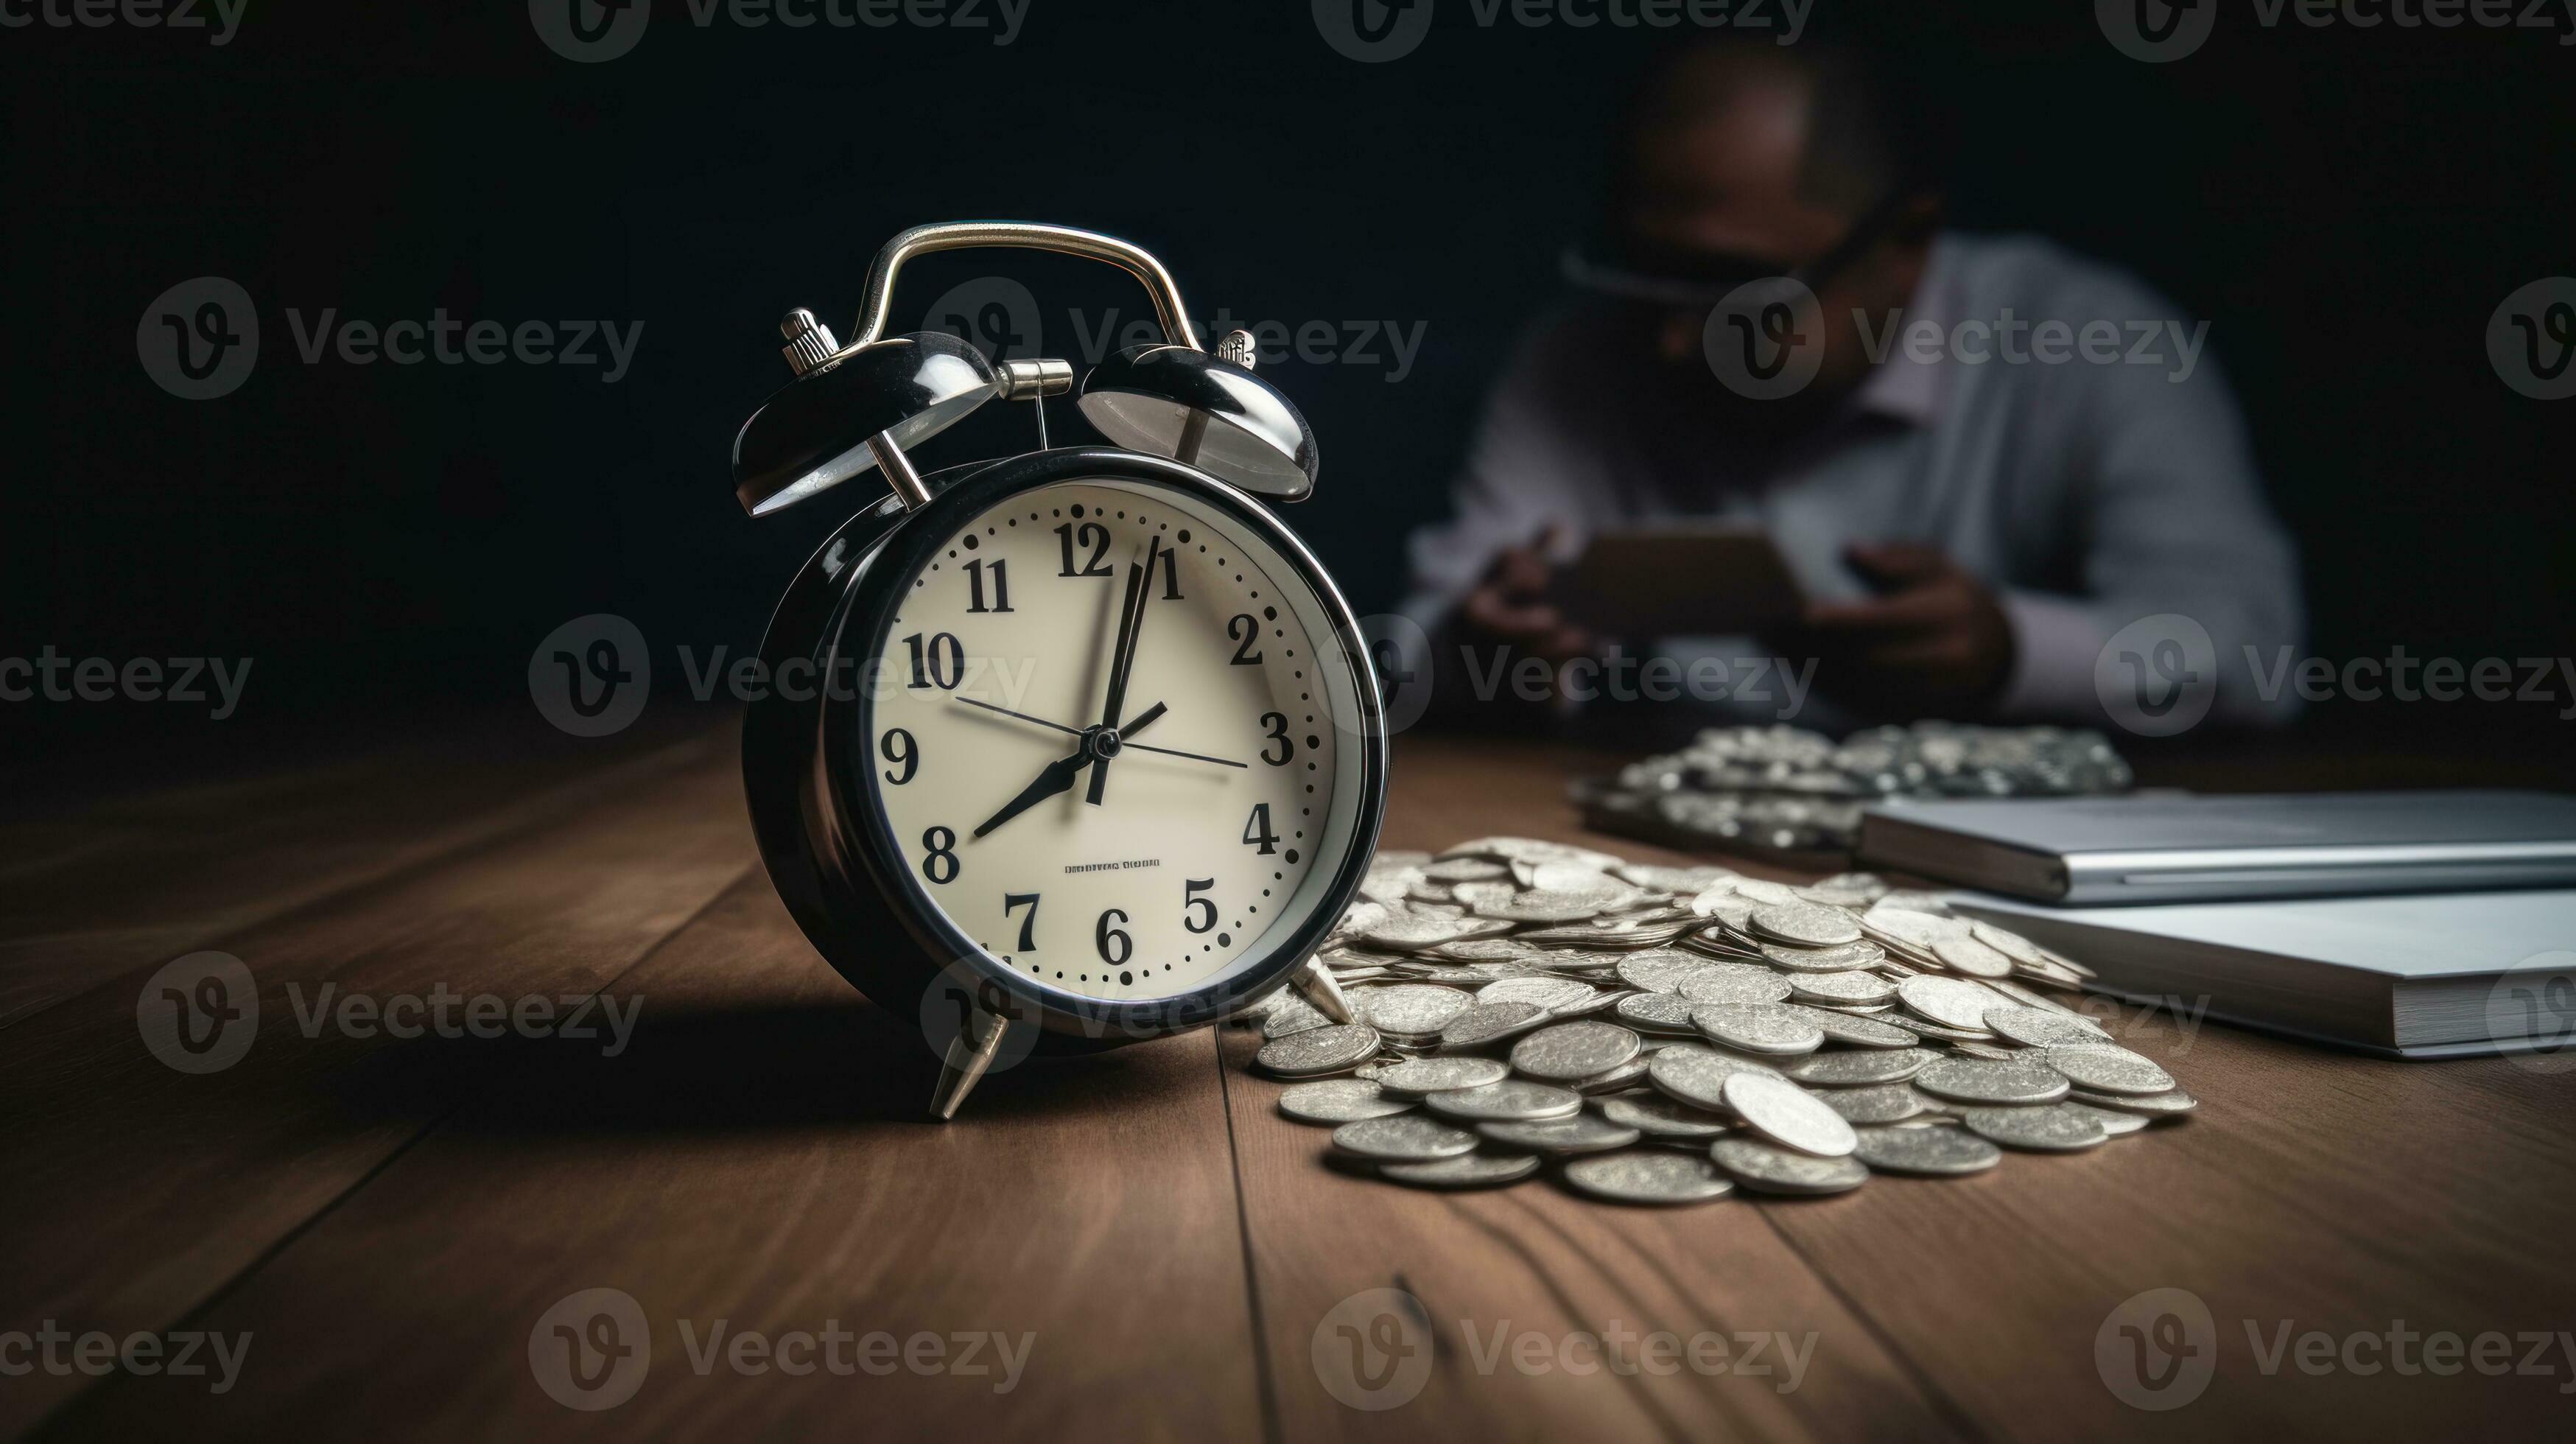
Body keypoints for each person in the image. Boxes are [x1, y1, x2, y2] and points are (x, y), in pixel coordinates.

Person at [1397, 40, 2303, 736]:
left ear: (1906, 240)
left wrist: (2008, 652)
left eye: (1735, 289)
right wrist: (1479, 649)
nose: (1672, 338)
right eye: (1646, 273)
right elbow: (1410, 652)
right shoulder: (1576, 352)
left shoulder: (2093, 341)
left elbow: (2253, 650)